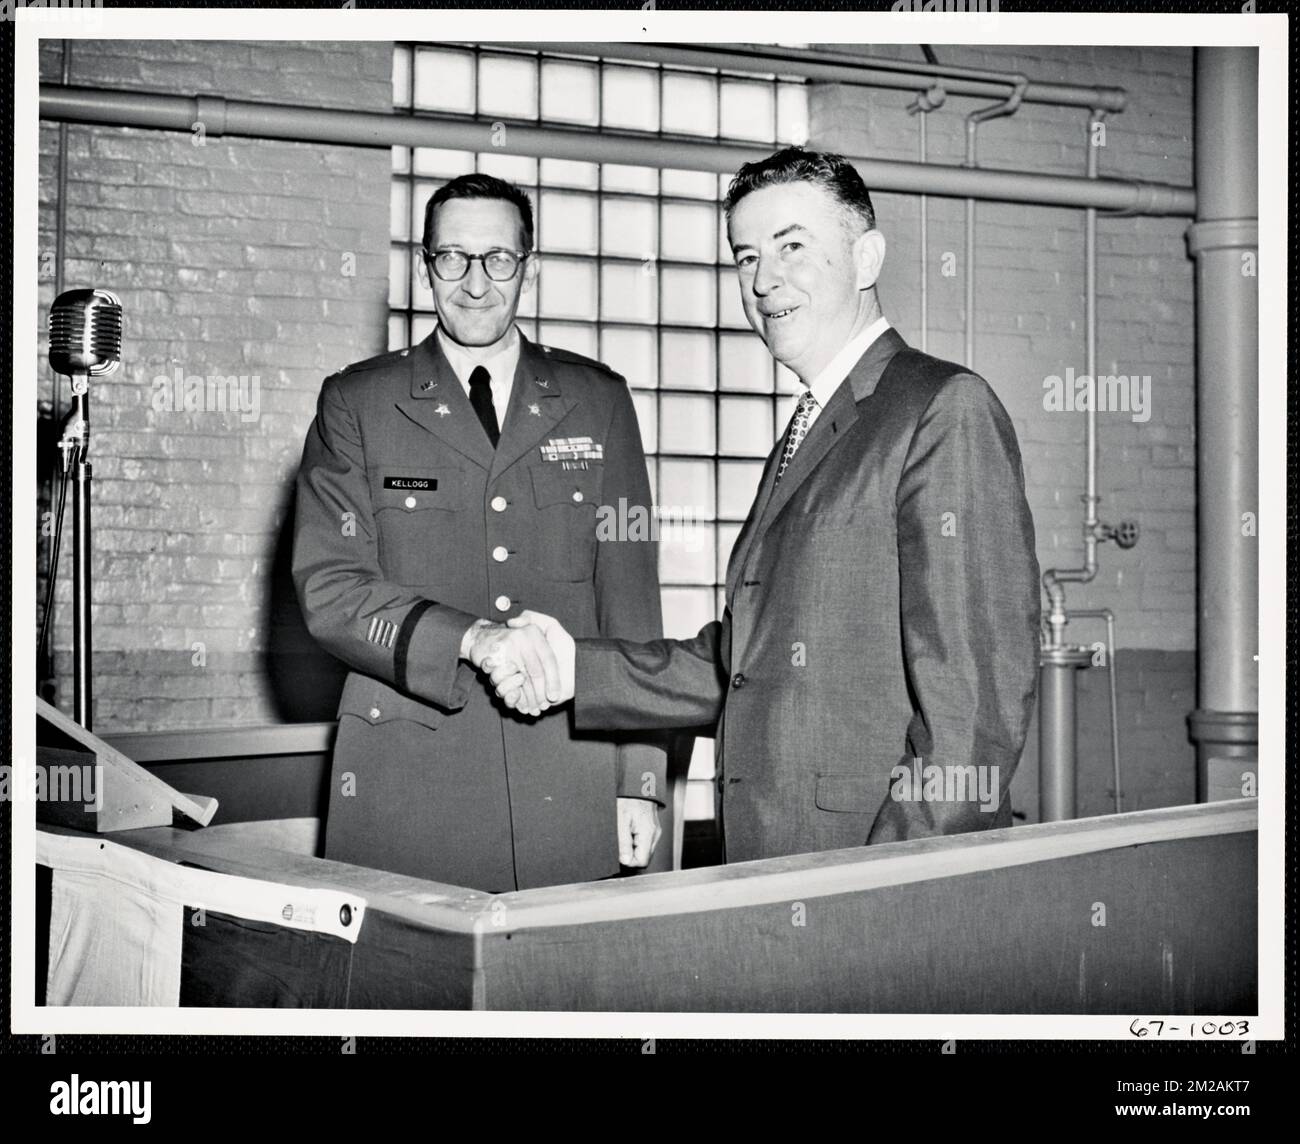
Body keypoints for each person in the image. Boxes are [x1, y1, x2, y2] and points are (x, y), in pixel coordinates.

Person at [489, 147, 1041, 863]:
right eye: (746, 257)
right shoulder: (815, 426)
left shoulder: (940, 408)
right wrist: (577, 669)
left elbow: (973, 712)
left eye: (792, 248)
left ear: (867, 258)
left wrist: (894, 888)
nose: (764, 280)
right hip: (776, 861)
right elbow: (750, 662)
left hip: (863, 874)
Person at [293, 173, 666, 891]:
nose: (474, 283)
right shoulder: (359, 402)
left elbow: (632, 605)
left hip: (571, 770)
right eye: (451, 258)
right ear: (425, 264)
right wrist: (474, 638)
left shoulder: (598, 400)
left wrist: (641, 776)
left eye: (498, 258)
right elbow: (331, 590)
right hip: (408, 780)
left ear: (528, 266)